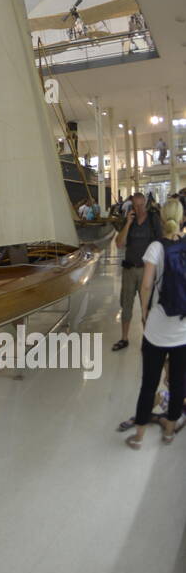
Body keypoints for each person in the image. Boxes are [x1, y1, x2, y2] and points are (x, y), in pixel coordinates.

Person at [123, 198, 186, 448]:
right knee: (179, 383)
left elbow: (146, 285)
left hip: (157, 330)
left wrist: (146, 313)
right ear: (182, 219)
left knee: (149, 384)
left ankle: (138, 436)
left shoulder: (155, 248)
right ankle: (169, 432)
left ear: (161, 220)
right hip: (183, 331)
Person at [112, 192, 162, 350]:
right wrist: (127, 223)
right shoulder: (129, 221)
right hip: (129, 269)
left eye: (141, 205)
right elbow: (119, 244)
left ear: (146, 203)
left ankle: (148, 340)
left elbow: (160, 244)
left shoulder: (153, 220)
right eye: (135, 205)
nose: (138, 208)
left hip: (146, 270)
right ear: (132, 205)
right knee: (126, 305)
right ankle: (124, 338)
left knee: (146, 306)